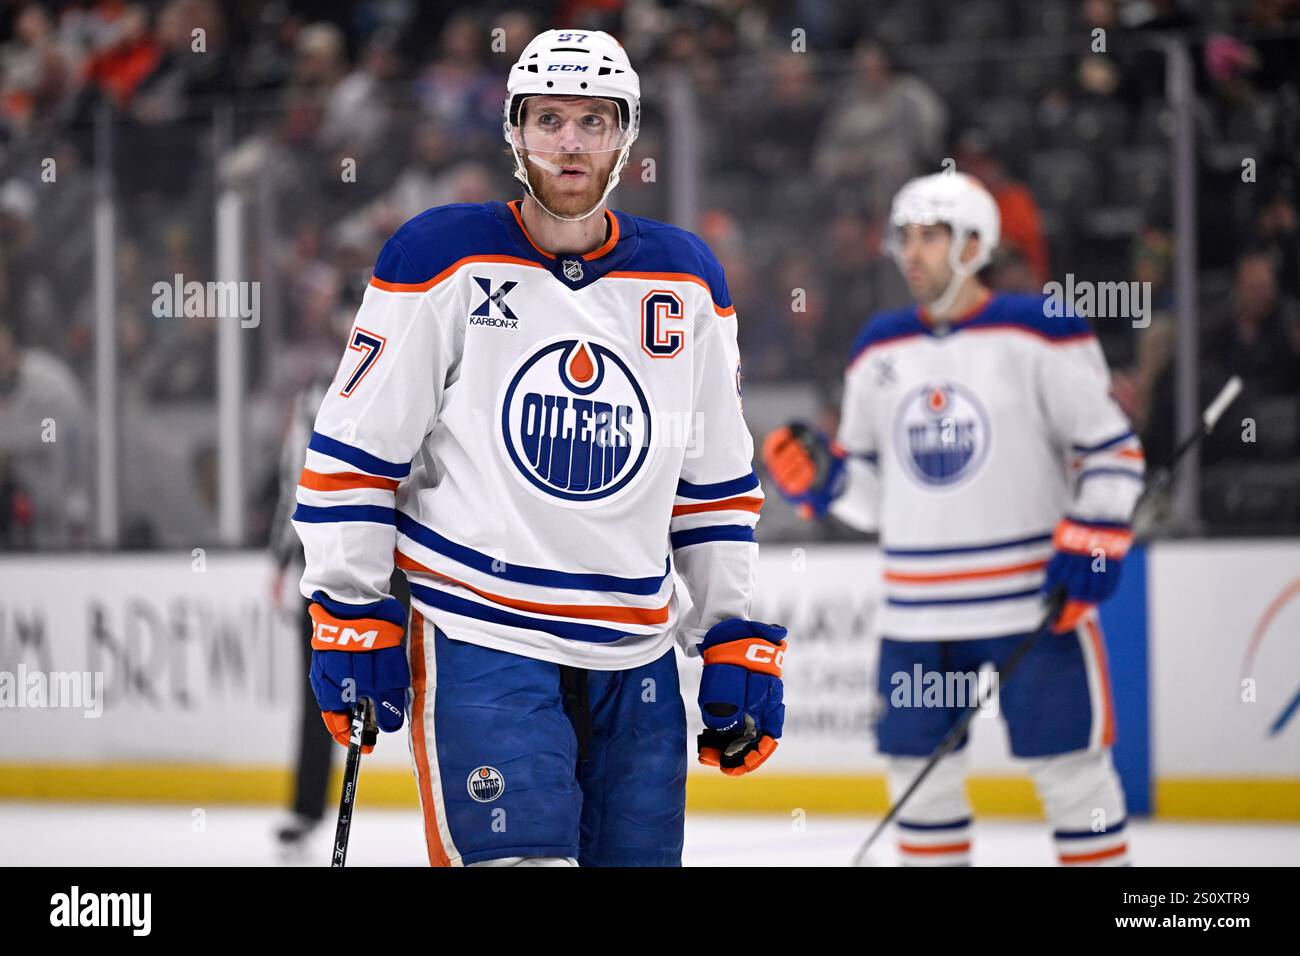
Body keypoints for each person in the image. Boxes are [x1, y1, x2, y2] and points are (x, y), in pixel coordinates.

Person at [292, 30, 786, 867]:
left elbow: (713, 489)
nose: (569, 143)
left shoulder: (686, 279)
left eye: (593, 122)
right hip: (482, 634)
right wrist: (347, 606)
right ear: (514, 133)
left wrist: (733, 633)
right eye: (548, 119)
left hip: (636, 655)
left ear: (625, 136)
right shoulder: (439, 257)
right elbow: (355, 455)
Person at [764, 173, 1141, 867]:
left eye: (930, 237)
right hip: (916, 617)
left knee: (1072, 777)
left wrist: (1093, 544)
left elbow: (1114, 453)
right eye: (904, 237)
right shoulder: (879, 346)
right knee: (920, 784)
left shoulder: (1042, 331)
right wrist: (827, 484)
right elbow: (877, 499)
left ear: (974, 245)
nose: (912, 253)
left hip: (1030, 606)